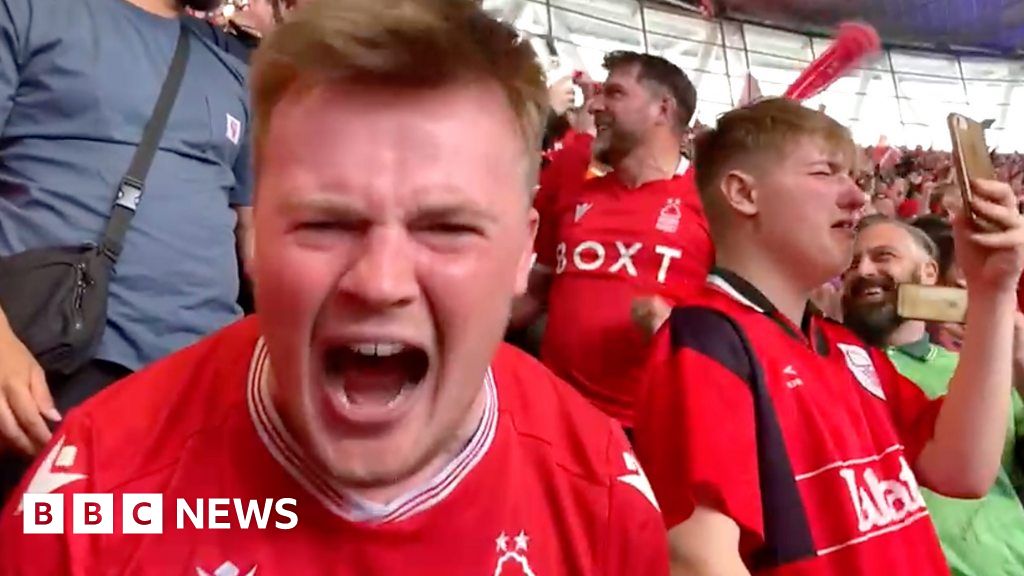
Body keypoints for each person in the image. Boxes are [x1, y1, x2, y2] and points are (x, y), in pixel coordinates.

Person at [0, 1, 668, 573]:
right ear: (260, 236)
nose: (380, 283)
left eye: (446, 228)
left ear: (524, 252)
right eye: (324, 222)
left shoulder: (600, 493)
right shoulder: (90, 492)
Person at [634, 98, 1024, 575]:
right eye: (825, 173)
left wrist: (992, 292)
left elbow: (964, 469)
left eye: (854, 178)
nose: (858, 198)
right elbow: (698, 560)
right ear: (743, 193)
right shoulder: (707, 342)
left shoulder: (846, 348)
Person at [0, 0, 252, 494]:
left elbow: (264, 238)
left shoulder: (234, 66)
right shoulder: (30, 11)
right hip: (53, 382)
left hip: (208, 402)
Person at [516, 51, 713, 433]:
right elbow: (536, 288)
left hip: (650, 433)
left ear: (662, 109)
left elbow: (747, 331)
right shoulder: (574, 186)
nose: (596, 105)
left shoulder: (712, 203)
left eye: (615, 94)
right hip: (553, 419)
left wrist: (681, 328)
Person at [842, 215, 1024, 575]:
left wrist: (1019, 360)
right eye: (851, 263)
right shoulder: (827, 370)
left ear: (928, 273)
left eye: (883, 256)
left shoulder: (980, 369)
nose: (863, 269)